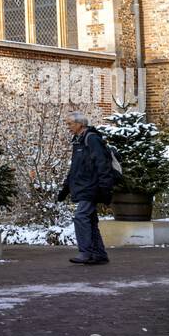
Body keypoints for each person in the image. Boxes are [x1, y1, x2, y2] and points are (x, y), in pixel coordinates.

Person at [57, 111, 112, 265]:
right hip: (83, 187)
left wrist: (105, 188)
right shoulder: (78, 142)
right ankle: (99, 254)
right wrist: (65, 189)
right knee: (90, 220)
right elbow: (74, 169)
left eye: (70, 124)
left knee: (81, 217)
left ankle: (85, 252)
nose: (68, 127)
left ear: (80, 124)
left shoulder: (92, 139)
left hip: (91, 187)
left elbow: (103, 164)